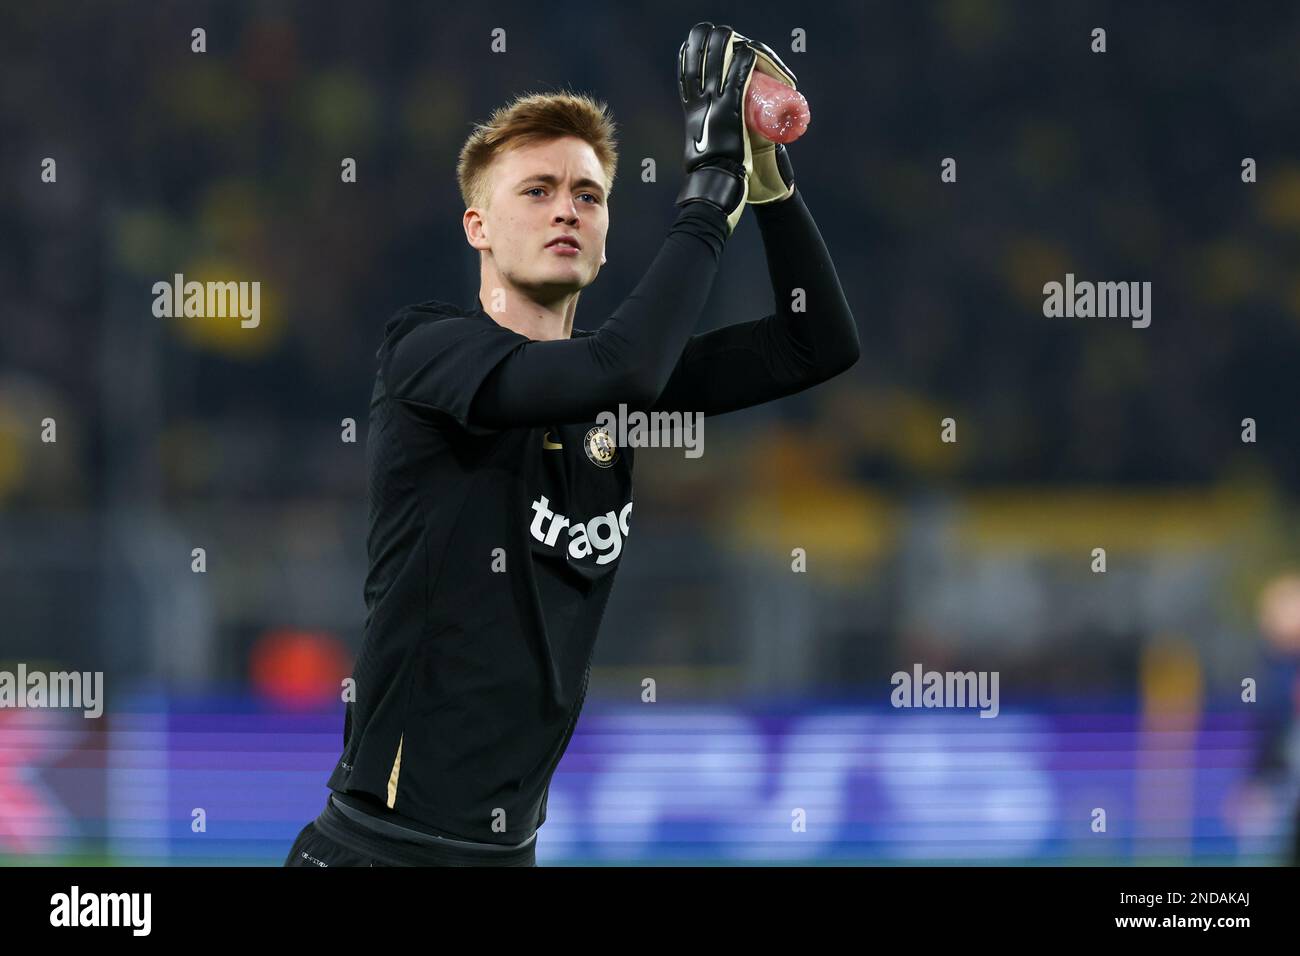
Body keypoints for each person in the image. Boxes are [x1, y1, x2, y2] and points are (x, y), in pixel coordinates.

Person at [284, 22, 859, 867]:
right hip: (381, 849)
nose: (567, 208)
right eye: (538, 190)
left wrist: (767, 184)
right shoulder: (427, 354)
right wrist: (707, 194)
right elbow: (620, 368)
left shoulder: (615, 386)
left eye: (588, 196)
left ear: (604, 232)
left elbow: (819, 345)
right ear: (477, 225)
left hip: (510, 852)